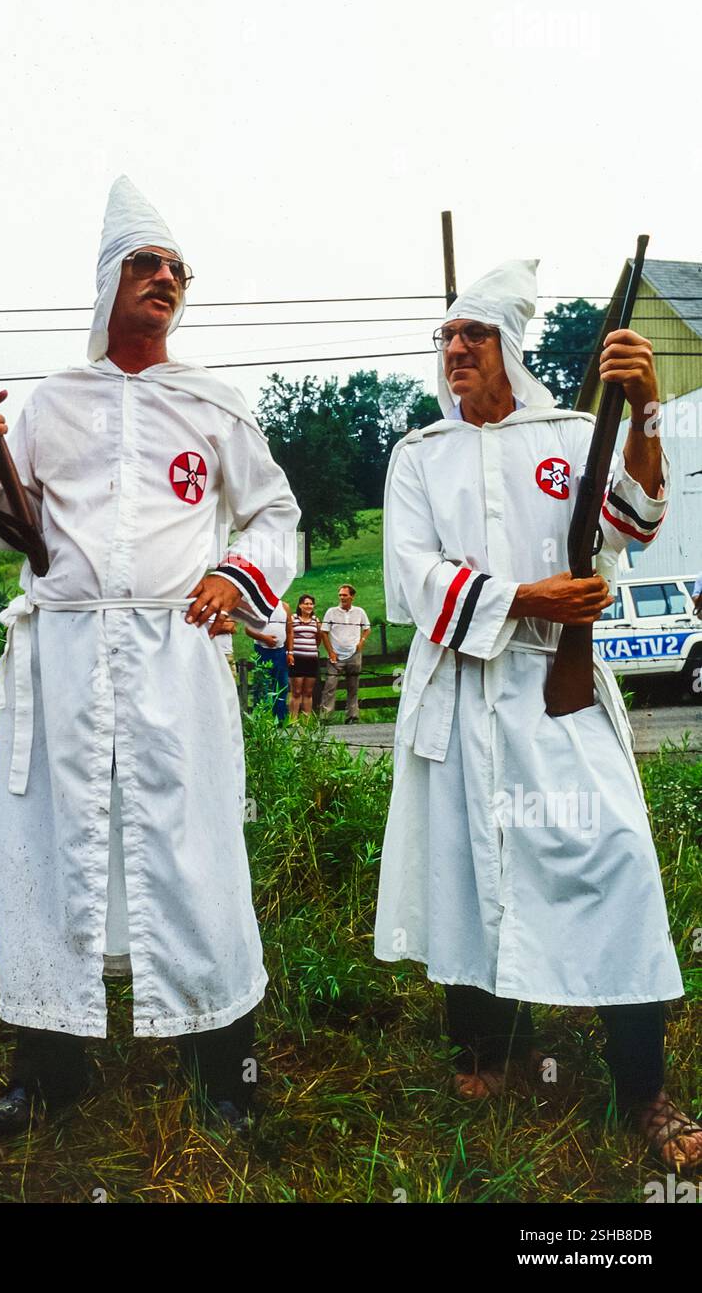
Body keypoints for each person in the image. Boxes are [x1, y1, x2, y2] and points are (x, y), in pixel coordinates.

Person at [0, 175, 300, 1136]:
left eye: (179, 268)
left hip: (174, 650)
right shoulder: (52, 404)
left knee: (193, 849)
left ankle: (226, 1070)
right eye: (147, 264)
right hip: (63, 654)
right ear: (108, 285)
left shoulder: (215, 407)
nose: (168, 278)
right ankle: (47, 1068)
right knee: (54, 847)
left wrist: (237, 577)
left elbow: (275, 513)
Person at [374, 258, 701, 1171]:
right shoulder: (419, 456)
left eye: (473, 335)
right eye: (446, 337)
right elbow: (412, 576)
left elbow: (635, 519)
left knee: (618, 861)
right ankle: (492, 1051)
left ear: (511, 349)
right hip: (461, 685)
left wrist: (641, 414)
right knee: (468, 868)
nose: (455, 350)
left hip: (559, 690)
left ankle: (644, 1086)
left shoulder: (570, 431)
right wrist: (527, 597)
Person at [319, 583, 371, 723]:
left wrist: (362, 641)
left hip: (353, 654)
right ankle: (325, 717)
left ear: (352, 597)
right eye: (340, 595)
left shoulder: (359, 612)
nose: (342, 597)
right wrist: (330, 652)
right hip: (336, 655)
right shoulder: (331, 612)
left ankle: (352, 716)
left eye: (345, 595)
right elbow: (324, 632)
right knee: (330, 685)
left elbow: (367, 628)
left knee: (353, 687)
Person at [245, 597, 292, 720]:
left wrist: (290, 652)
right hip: (263, 650)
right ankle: (262, 718)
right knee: (263, 685)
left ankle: (280, 717)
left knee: (282, 685)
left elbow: (290, 631)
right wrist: (265, 638)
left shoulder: (285, 606)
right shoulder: (257, 605)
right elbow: (248, 630)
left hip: (280, 651)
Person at [288, 594, 320, 718]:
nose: (308, 606)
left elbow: (318, 638)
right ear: (300, 605)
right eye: (306, 603)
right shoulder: (293, 618)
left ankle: (306, 720)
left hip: (311, 658)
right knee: (296, 691)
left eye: (311, 604)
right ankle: (293, 719)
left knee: (308, 691)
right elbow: (289, 635)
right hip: (297, 658)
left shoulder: (316, 620)